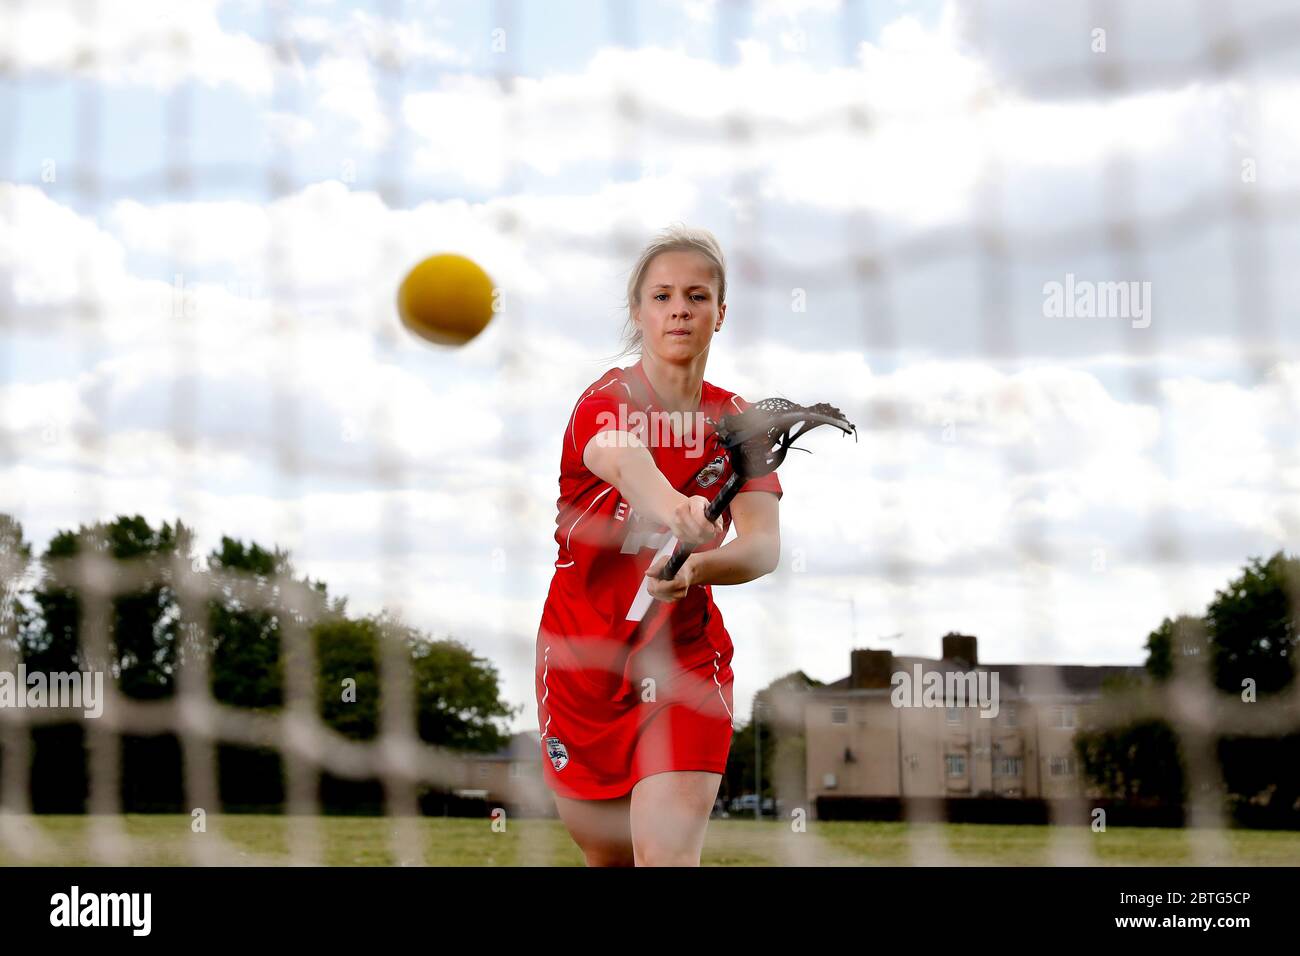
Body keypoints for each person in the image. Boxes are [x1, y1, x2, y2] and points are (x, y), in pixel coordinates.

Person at [534, 224, 783, 866]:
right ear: (638, 312)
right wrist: (679, 511)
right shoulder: (604, 401)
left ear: (721, 313)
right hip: (581, 665)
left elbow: (761, 548)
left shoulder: (739, 423)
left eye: (698, 296)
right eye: (663, 296)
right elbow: (623, 460)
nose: (680, 309)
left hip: (683, 664)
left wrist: (697, 564)